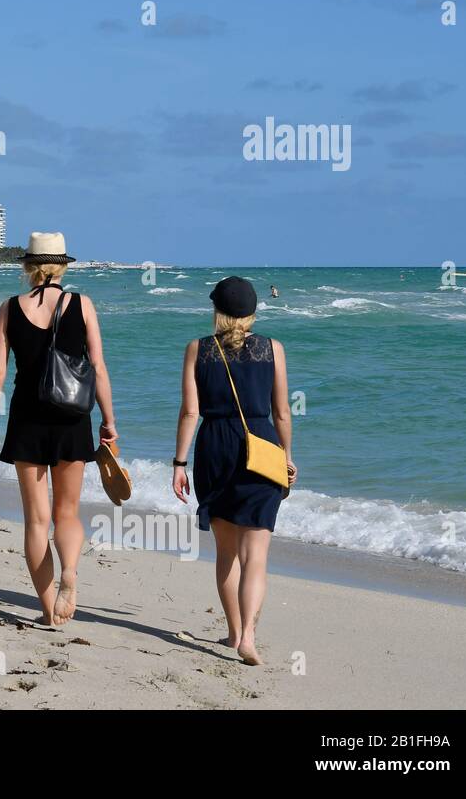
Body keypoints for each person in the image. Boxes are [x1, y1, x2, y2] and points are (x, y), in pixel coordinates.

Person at [0, 232, 117, 626]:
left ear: (28, 267)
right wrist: (109, 421)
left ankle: (47, 609)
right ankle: (69, 574)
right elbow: (99, 368)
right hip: (73, 417)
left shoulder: (9, 308)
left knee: (36, 519)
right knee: (67, 512)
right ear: (62, 266)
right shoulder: (82, 304)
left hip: (26, 419)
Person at [172, 276, 295, 666]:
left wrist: (179, 462)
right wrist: (287, 457)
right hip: (262, 446)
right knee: (255, 554)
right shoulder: (273, 349)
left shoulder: (197, 349)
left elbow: (191, 412)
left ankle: (233, 632)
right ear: (253, 312)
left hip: (215, 448)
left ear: (217, 312)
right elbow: (281, 412)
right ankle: (249, 637)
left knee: (227, 552)